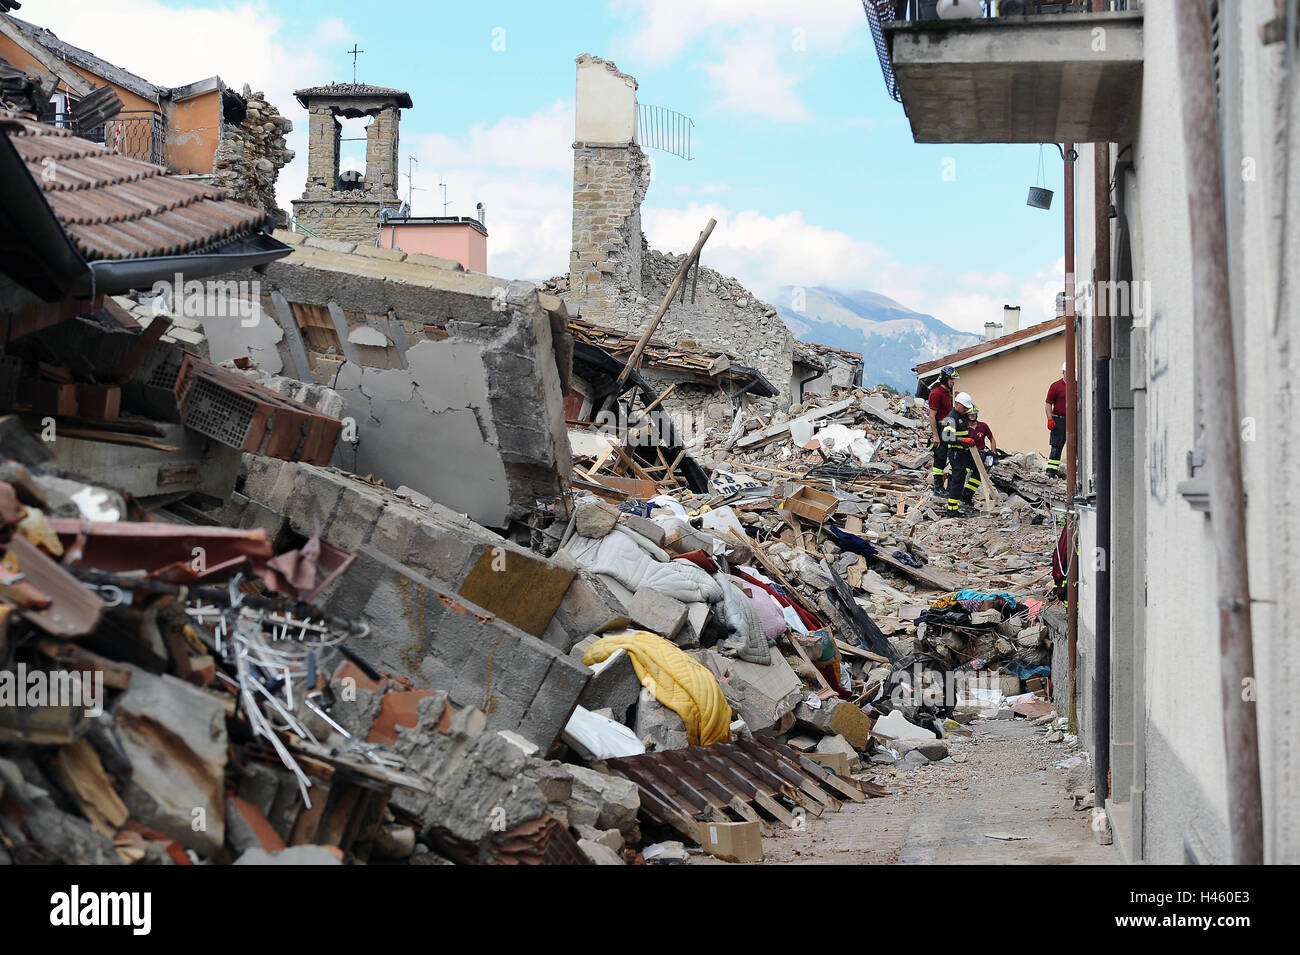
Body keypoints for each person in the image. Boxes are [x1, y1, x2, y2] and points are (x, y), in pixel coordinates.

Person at [939, 391, 977, 518]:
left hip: (964, 451)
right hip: (956, 452)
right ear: (957, 404)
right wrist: (963, 440)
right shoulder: (951, 418)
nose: (966, 410)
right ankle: (952, 510)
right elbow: (946, 437)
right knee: (958, 479)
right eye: (964, 407)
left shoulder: (962, 415)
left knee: (978, 468)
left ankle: (967, 495)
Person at [926, 365, 959, 497]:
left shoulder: (948, 392)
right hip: (941, 427)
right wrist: (936, 436)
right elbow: (932, 415)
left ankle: (950, 487)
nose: (953, 381)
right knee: (940, 458)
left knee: (951, 456)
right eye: (951, 379)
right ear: (945, 378)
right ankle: (938, 487)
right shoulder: (936, 393)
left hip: (949, 426)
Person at [961, 402, 997, 504]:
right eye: (971, 414)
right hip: (967, 455)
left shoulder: (983, 426)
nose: (973, 416)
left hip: (980, 454)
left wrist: (993, 453)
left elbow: (992, 439)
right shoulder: (963, 427)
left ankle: (967, 495)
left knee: (978, 476)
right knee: (961, 475)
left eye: (974, 414)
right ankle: (959, 494)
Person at [1044, 361, 1068, 478]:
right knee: (1056, 447)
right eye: (1067, 372)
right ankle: (1051, 472)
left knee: (1078, 447)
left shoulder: (1078, 385)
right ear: (1063, 372)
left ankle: (1078, 474)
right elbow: (1048, 403)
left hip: (1074, 421)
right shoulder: (1055, 386)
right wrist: (1050, 419)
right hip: (1059, 421)